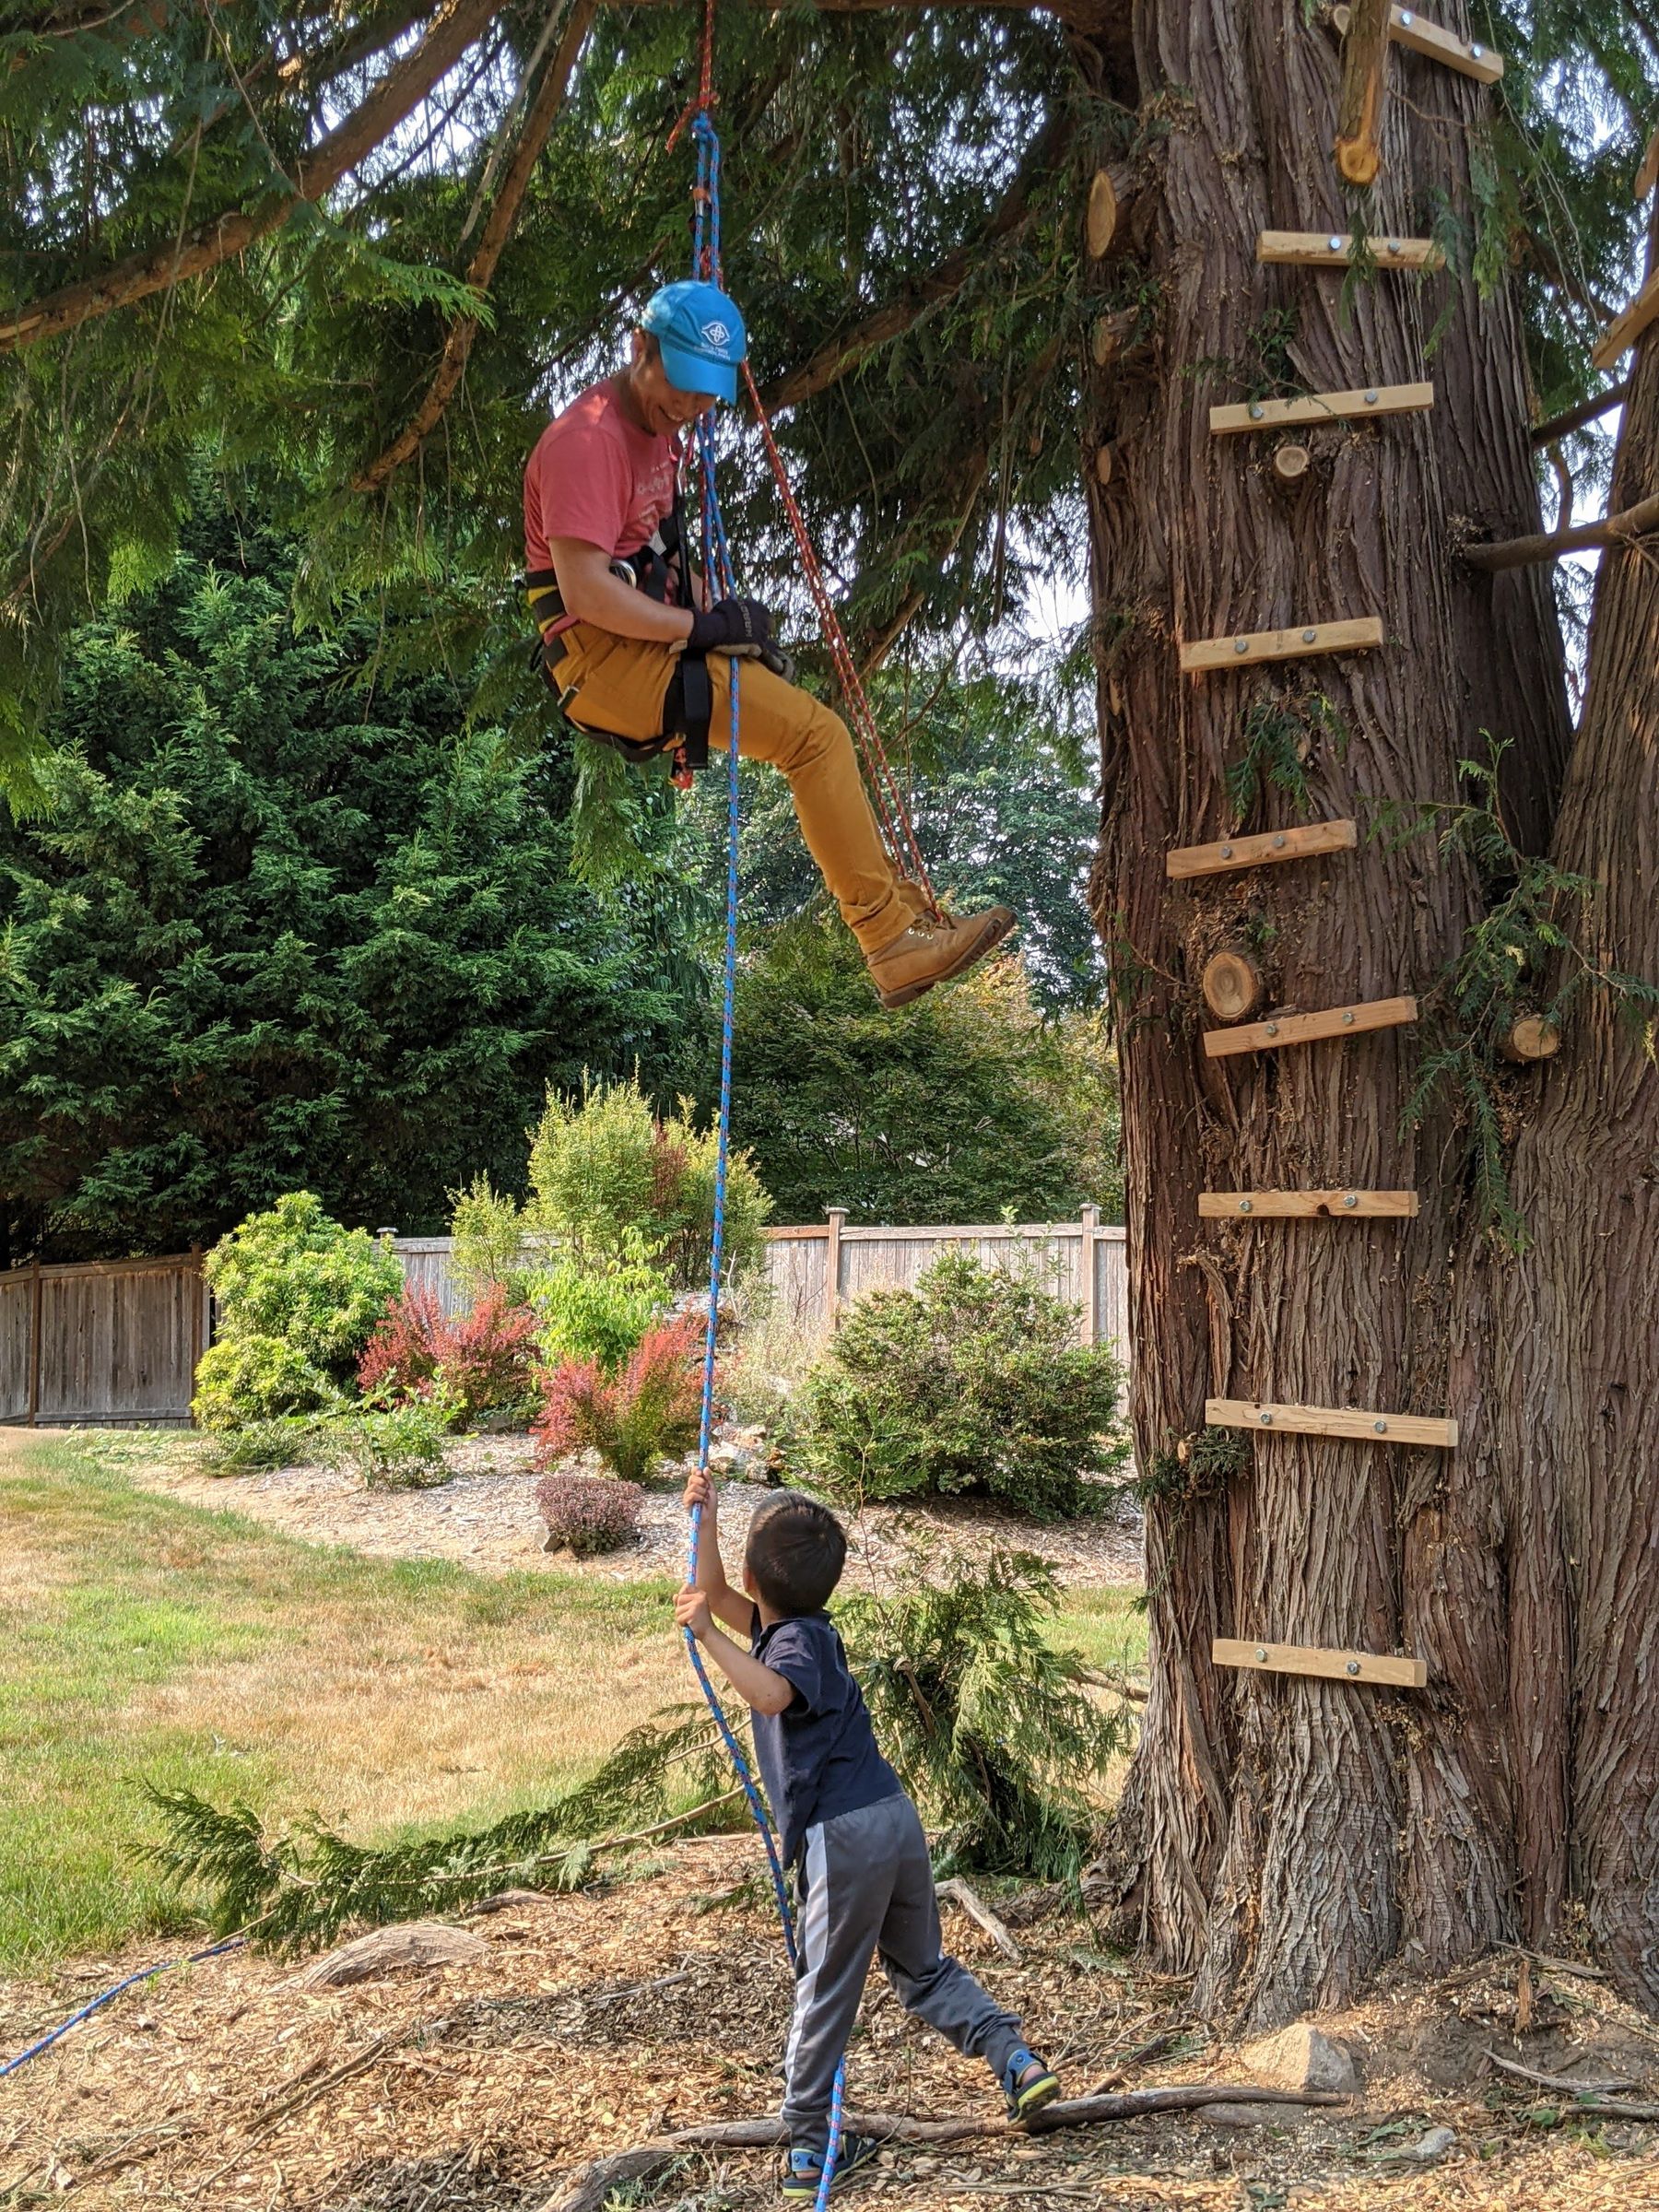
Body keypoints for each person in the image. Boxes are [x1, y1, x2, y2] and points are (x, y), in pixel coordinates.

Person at [524, 278, 1015, 1010]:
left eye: (703, 395)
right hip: (601, 660)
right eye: (680, 387)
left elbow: (653, 556)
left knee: (815, 734)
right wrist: (702, 631)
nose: (689, 408)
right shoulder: (588, 442)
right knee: (815, 740)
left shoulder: (662, 435)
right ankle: (888, 945)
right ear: (640, 351)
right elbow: (588, 591)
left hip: (638, 645)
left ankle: (898, 920)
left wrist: (727, 626)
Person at [673, 1468, 1062, 2199]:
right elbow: (720, 1595)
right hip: (892, 1819)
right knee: (923, 1970)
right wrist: (709, 1518)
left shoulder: (794, 1650)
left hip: (842, 1838)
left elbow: (768, 1692)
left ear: (761, 1580)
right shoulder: (801, 1626)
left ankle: (808, 2148)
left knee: (823, 1991)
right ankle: (1017, 2061)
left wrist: (706, 1635)